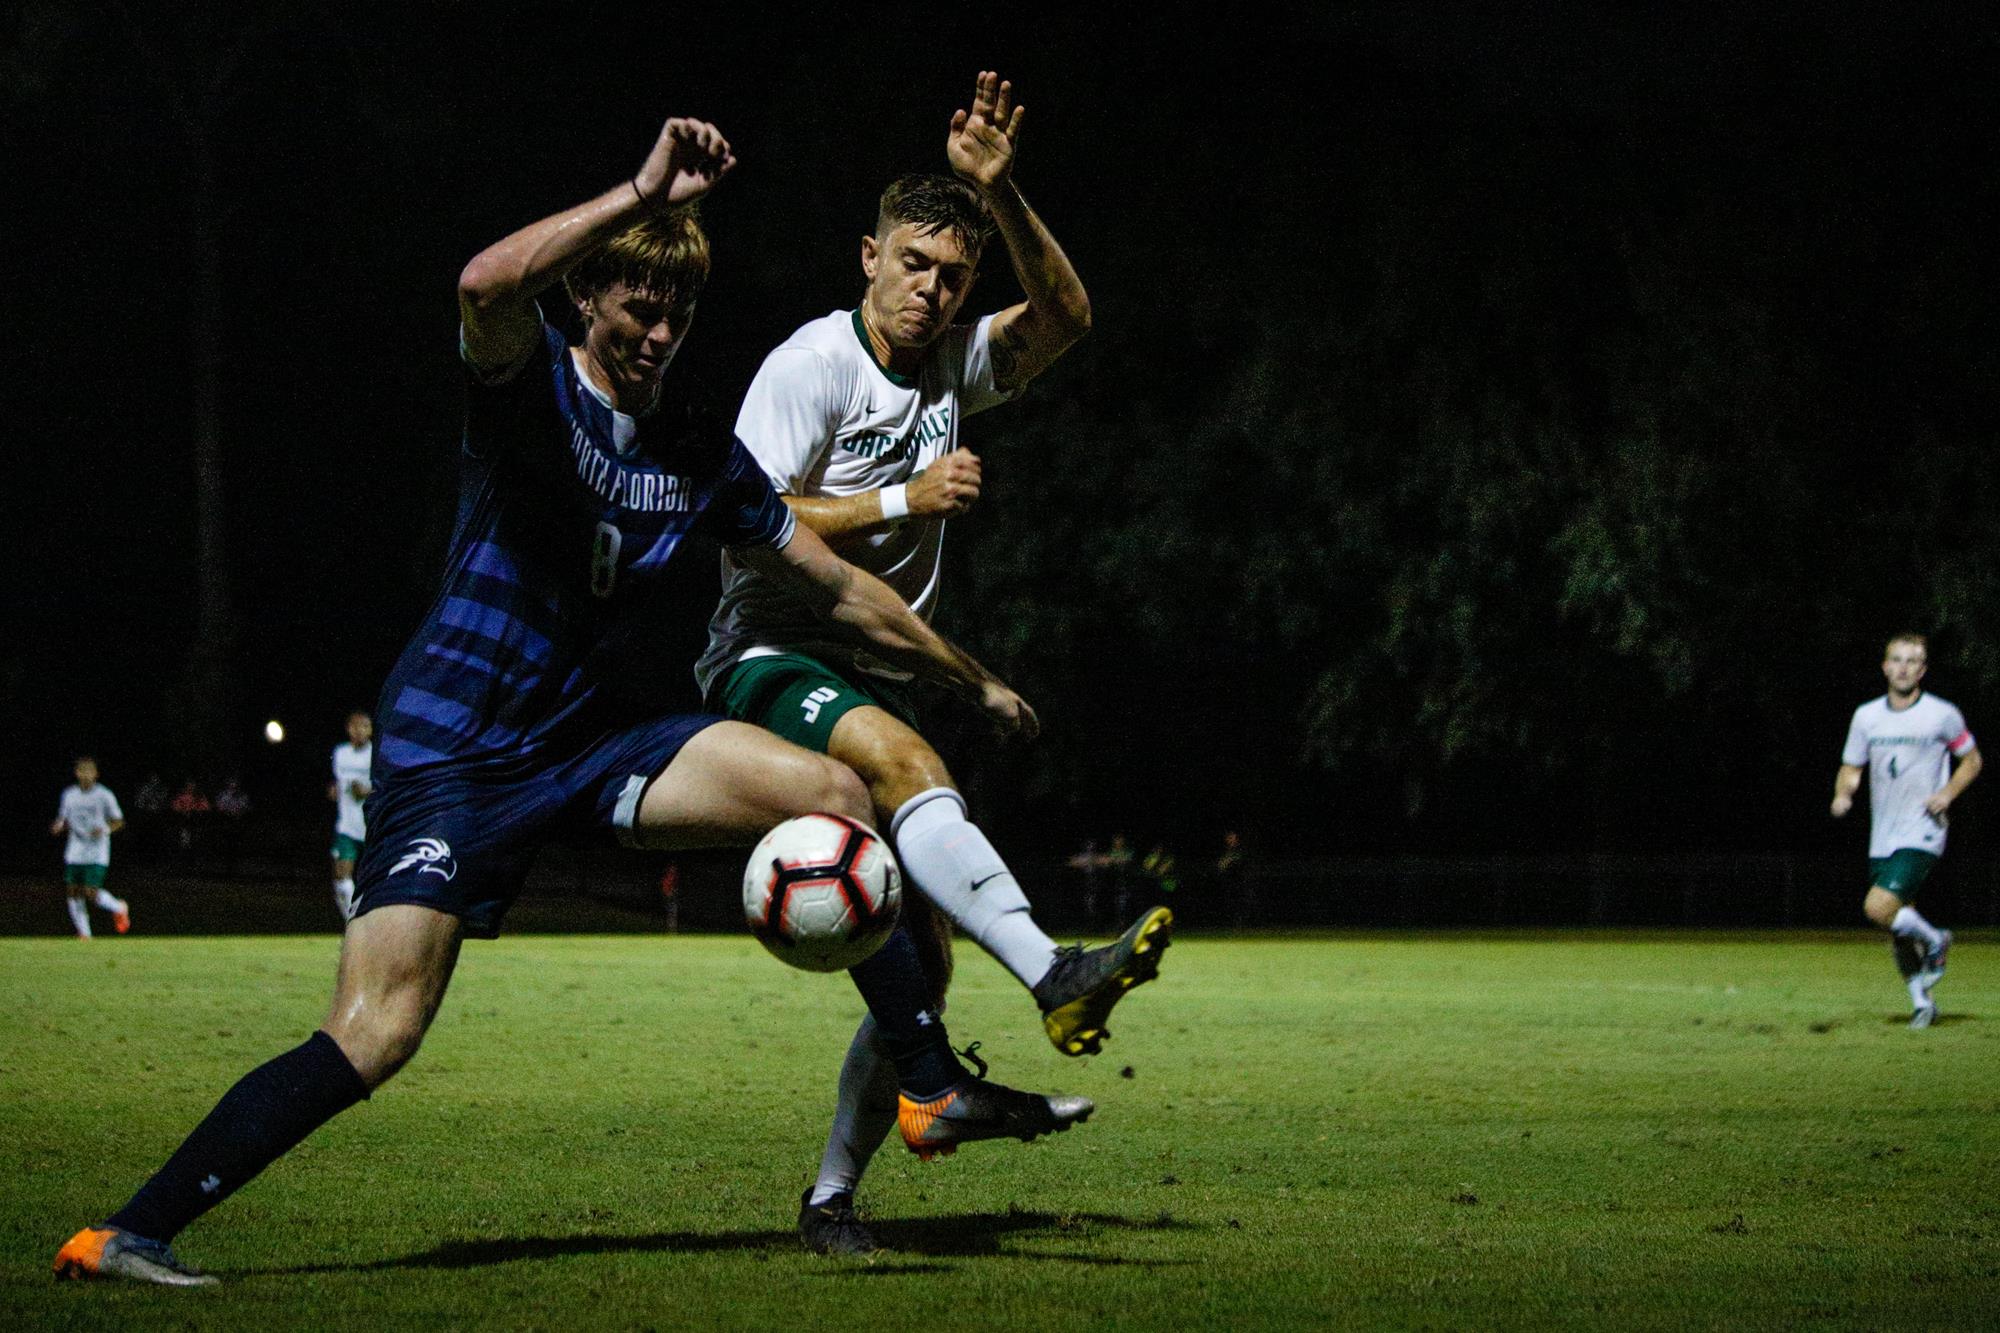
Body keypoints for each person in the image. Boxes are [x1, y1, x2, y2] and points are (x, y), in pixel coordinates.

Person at [55, 109, 1087, 1289]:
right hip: (453, 748)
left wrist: (974, 678)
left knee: (833, 788)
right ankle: (127, 1231)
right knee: (377, 1030)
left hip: (591, 745)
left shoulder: (696, 446)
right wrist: (638, 191)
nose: (656, 332)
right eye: (636, 308)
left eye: (677, 314)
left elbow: (836, 590)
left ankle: (925, 1078)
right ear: (589, 301)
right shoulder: (525, 383)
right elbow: (483, 282)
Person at [698, 71, 1169, 1254]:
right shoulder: (810, 364)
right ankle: (1057, 971)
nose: (933, 288)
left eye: (953, 273)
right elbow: (742, 512)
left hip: (882, 667)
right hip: (766, 650)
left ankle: (828, 1198)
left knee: (919, 954)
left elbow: (1064, 320)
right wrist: (901, 494)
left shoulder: (955, 362)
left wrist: (999, 195)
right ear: (867, 256)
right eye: (914, 261)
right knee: (903, 761)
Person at [1831, 633, 1982, 1028]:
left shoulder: (1941, 714)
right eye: (1896, 659)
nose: (1903, 667)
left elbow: (1972, 760)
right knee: (1899, 923)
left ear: (1923, 670)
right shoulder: (1866, 717)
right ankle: (1922, 1003)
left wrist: (1948, 793)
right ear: (1885, 667)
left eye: (1912, 661)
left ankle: (1936, 940)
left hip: (1924, 829)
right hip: (1883, 834)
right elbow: (1851, 765)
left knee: (1877, 907)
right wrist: (1844, 793)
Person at [51, 757, 129, 939]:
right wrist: (59, 826)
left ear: (96, 774)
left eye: (89, 772)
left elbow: (119, 821)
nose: (85, 775)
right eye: (81, 771)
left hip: (97, 851)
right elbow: (63, 819)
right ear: (76, 773)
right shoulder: (69, 794)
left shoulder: (104, 795)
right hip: (75, 850)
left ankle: (119, 907)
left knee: (90, 892)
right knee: (72, 890)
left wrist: (105, 829)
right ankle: (85, 934)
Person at [328, 711, 373, 920]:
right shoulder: (340, 753)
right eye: (355, 726)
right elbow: (339, 781)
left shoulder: (375, 754)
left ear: (371, 730)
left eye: (364, 726)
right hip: (347, 825)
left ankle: (373, 921)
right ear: (348, 729)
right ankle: (351, 922)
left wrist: (367, 790)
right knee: (341, 874)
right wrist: (335, 790)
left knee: (374, 877)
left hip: (371, 825)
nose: (359, 731)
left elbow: (387, 787)